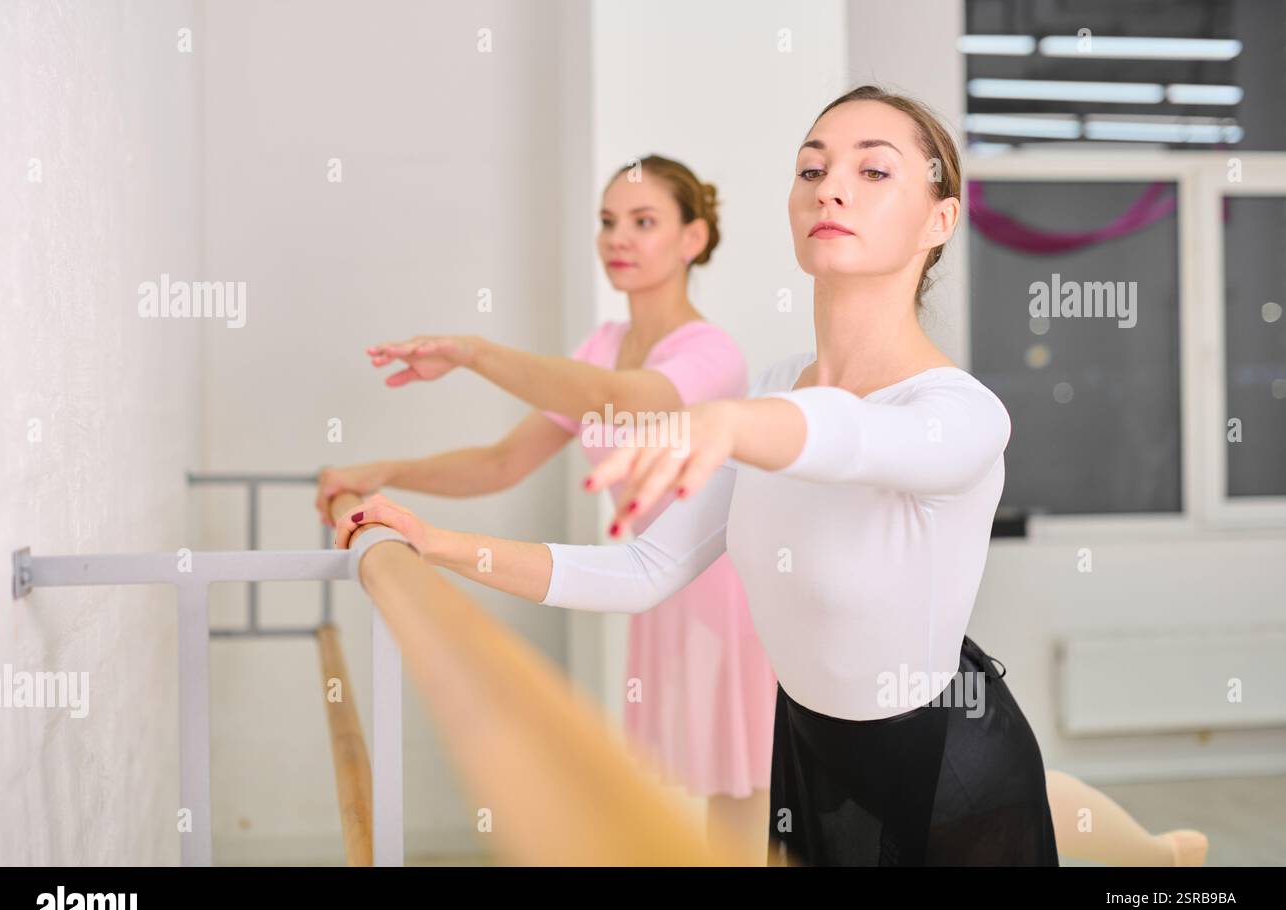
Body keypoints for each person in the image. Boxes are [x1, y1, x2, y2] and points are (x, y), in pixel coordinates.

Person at [331, 86, 1209, 867]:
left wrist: (727, 424)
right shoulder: (772, 384)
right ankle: (1159, 855)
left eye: (874, 173)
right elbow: (640, 572)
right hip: (809, 754)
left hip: (946, 763)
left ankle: (1159, 864)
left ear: (938, 221)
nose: (829, 187)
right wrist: (440, 545)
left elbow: (853, 437)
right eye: (811, 168)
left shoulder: (962, 411)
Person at [316, 155, 776, 862]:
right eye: (607, 222)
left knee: (736, 798)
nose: (618, 238)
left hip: (721, 594)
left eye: (644, 222)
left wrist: (474, 352)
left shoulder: (711, 354)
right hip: (648, 586)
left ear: (693, 239)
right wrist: (385, 471)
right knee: (660, 792)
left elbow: (612, 399)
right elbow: (501, 463)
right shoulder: (602, 344)